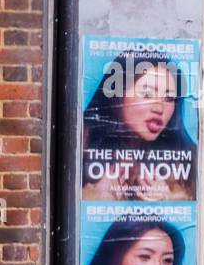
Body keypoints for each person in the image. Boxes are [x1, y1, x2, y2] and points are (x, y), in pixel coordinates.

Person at [82, 50, 196, 201]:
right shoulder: (80, 143)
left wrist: (169, 201)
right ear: (118, 94)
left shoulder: (186, 156)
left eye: (169, 98)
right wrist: (94, 199)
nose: (159, 108)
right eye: (147, 94)